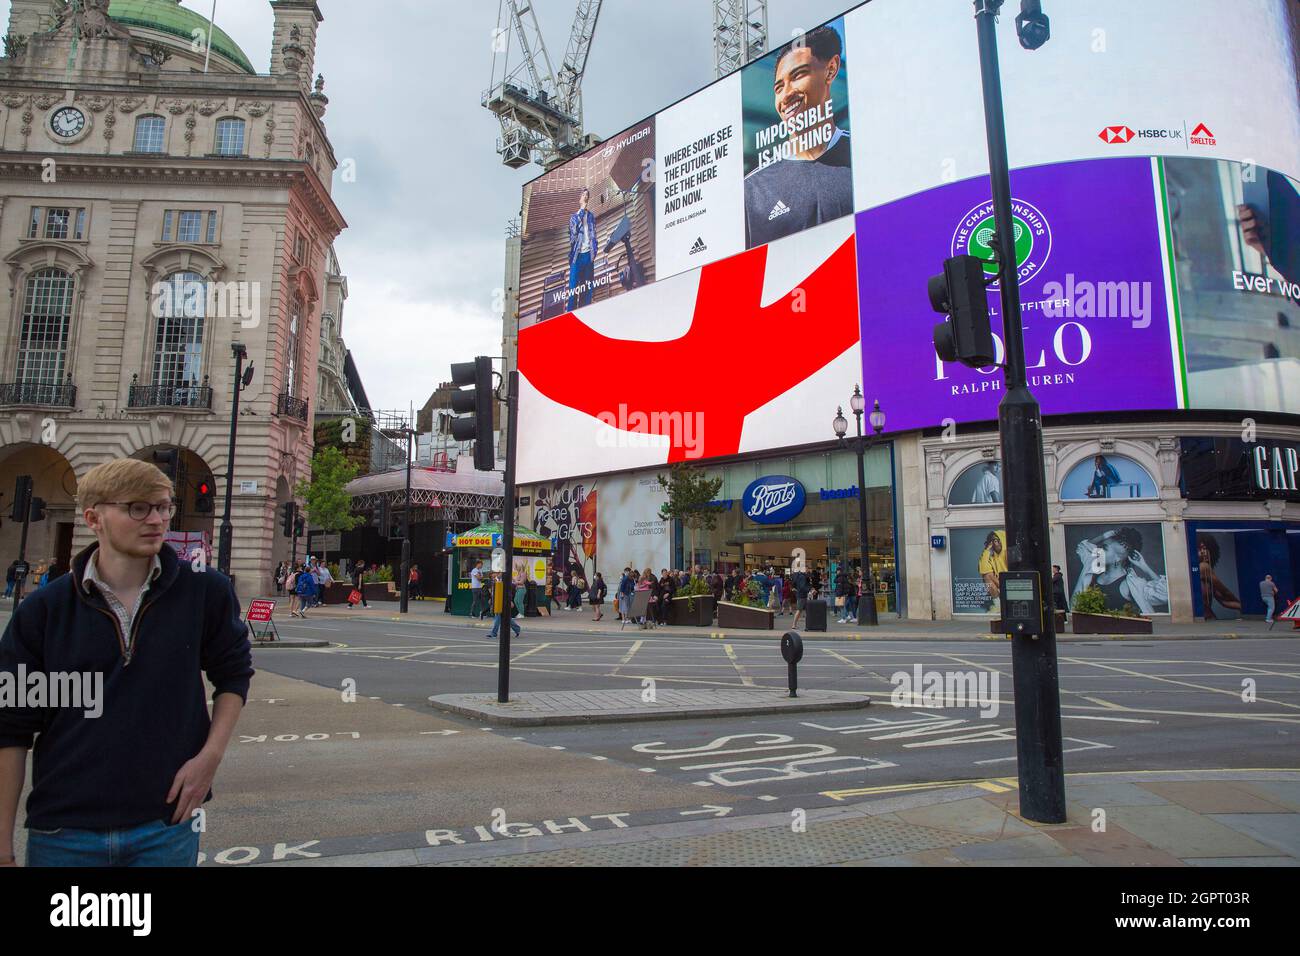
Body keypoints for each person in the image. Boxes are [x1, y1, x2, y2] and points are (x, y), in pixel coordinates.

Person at [0, 457, 252, 868]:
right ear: (93, 518)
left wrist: (210, 758)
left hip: (165, 825)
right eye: (138, 507)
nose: (155, 519)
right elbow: (10, 730)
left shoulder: (205, 593)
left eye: (163, 506)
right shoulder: (43, 610)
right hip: (65, 830)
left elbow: (234, 674)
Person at [743, 25, 852, 248]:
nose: (787, 94)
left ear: (831, 70)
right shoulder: (751, 190)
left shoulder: (865, 153)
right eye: (779, 87)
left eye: (798, 75)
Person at [1072, 527, 1169, 615]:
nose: (1098, 550)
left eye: (1104, 548)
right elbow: (1084, 547)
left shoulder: (1131, 584)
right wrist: (1105, 535)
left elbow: (1165, 594)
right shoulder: (1093, 567)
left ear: (1117, 559)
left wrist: (1145, 568)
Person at [566, 187, 598, 311]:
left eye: (587, 195)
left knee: (587, 289)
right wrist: (581, 212)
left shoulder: (591, 216)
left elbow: (594, 233)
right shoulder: (574, 217)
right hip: (577, 257)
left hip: (588, 256)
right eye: (583, 194)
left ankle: (585, 312)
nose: (586, 196)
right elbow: (573, 236)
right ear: (580, 199)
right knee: (573, 289)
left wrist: (594, 250)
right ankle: (571, 315)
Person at [1197, 536, 1241, 620]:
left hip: (1209, 617)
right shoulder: (1203, 567)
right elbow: (1225, 591)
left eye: (1205, 548)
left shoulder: (1204, 571)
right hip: (1207, 617)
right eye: (1200, 549)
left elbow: (1223, 600)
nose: (1203, 552)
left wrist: (1240, 606)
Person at [978, 531, 1007, 614]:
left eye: (997, 540)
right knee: (986, 575)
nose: (995, 542)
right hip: (999, 585)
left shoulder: (1008, 553)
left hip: (1011, 584)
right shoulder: (991, 557)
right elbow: (983, 570)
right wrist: (987, 550)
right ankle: (998, 605)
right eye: (993, 540)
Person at [486, 572, 521, 641]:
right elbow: (493, 592)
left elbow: (508, 592)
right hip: (497, 602)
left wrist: (510, 601)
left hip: (504, 602)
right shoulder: (494, 581)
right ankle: (517, 629)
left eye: (497, 573)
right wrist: (491, 599)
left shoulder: (505, 581)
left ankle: (494, 633)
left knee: (498, 618)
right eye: (494, 573)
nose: (495, 574)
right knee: (505, 618)